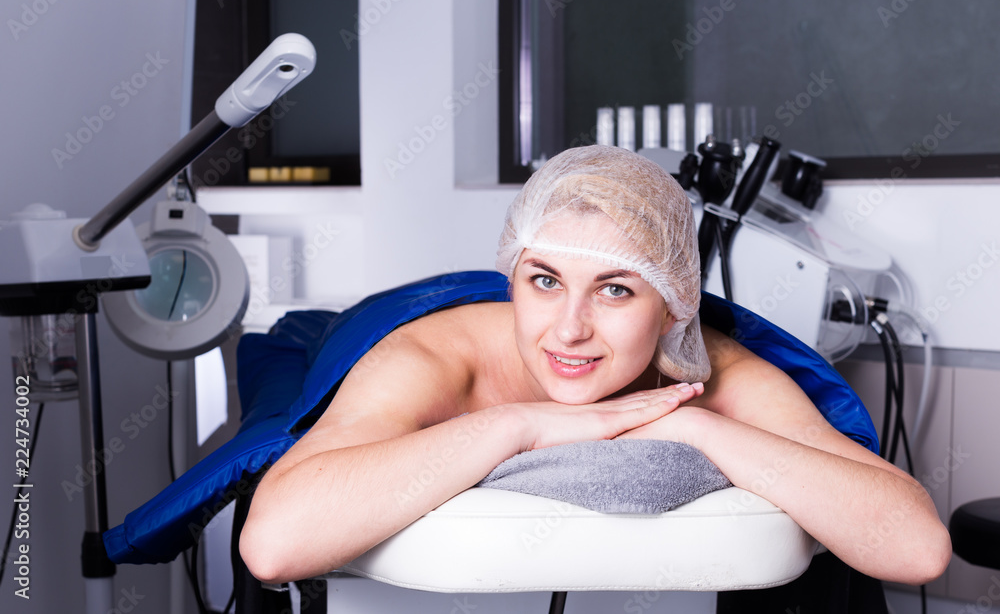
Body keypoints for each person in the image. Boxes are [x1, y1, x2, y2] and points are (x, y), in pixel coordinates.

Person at [239, 145, 951, 587]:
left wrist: (700, 431)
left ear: (673, 307)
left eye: (615, 289)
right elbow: (272, 545)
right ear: (512, 276)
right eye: (543, 280)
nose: (570, 327)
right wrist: (521, 424)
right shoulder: (432, 358)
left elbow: (917, 548)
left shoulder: (722, 373)